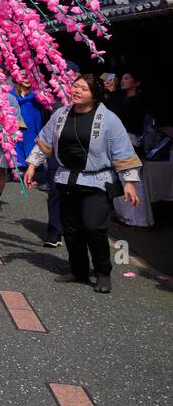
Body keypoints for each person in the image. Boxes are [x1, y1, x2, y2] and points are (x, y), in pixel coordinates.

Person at [24, 74, 142, 293]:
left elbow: (123, 152)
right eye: (75, 86)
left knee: (93, 226)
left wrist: (129, 182)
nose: (77, 91)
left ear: (94, 95)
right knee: (71, 228)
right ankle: (78, 270)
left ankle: (102, 272)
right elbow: (45, 141)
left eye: (83, 89)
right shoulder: (60, 114)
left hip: (97, 181)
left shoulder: (109, 119)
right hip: (67, 179)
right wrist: (32, 165)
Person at [105, 69, 155, 228]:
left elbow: (123, 116)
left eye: (127, 78)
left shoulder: (139, 101)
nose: (123, 81)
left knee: (133, 180)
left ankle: (138, 220)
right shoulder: (122, 99)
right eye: (123, 78)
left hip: (131, 141)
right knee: (122, 178)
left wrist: (112, 95)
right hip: (122, 141)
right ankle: (127, 217)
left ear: (137, 83)